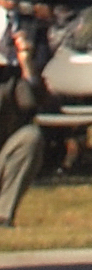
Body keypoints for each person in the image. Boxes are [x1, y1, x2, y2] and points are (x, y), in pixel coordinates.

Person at [0, 19, 50, 227]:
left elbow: (33, 103)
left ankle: (3, 217)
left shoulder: (10, 76)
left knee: (30, 137)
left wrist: (26, 64)